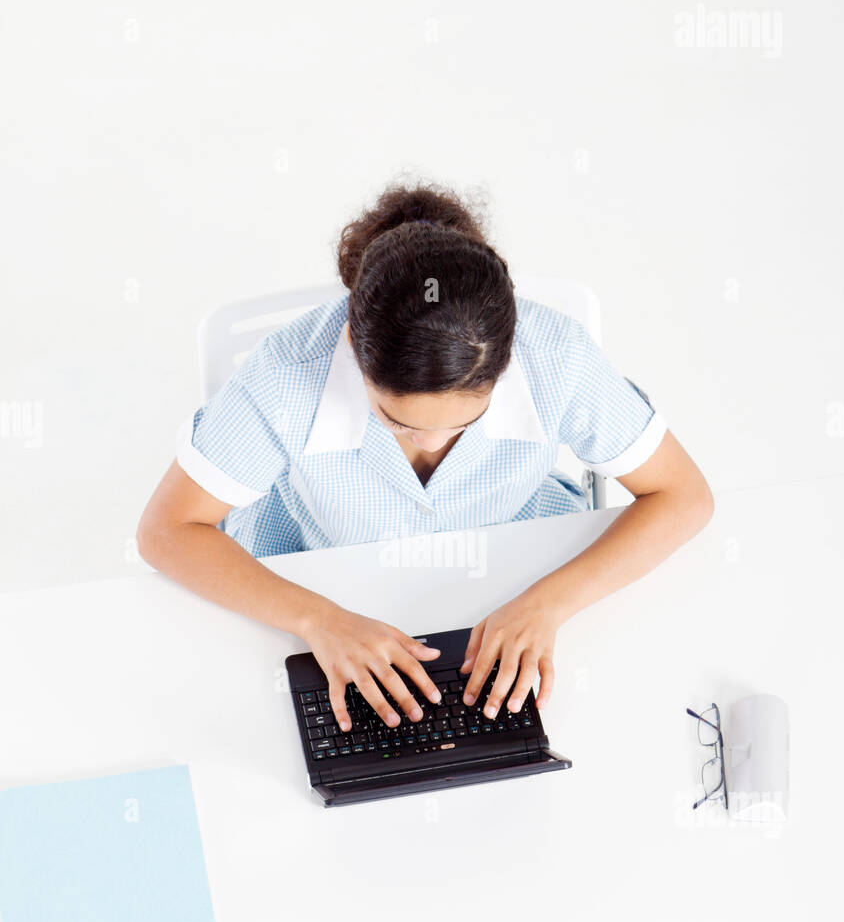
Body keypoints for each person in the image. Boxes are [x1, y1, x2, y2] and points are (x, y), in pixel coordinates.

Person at [137, 180, 713, 734]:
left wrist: (549, 605)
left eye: (467, 423)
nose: (432, 444)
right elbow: (166, 530)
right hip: (320, 573)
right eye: (396, 421)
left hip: (510, 575)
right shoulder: (286, 375)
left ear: (508, 362)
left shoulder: (555, 355)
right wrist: (319, 620)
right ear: (351, 349)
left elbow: (683, 496)